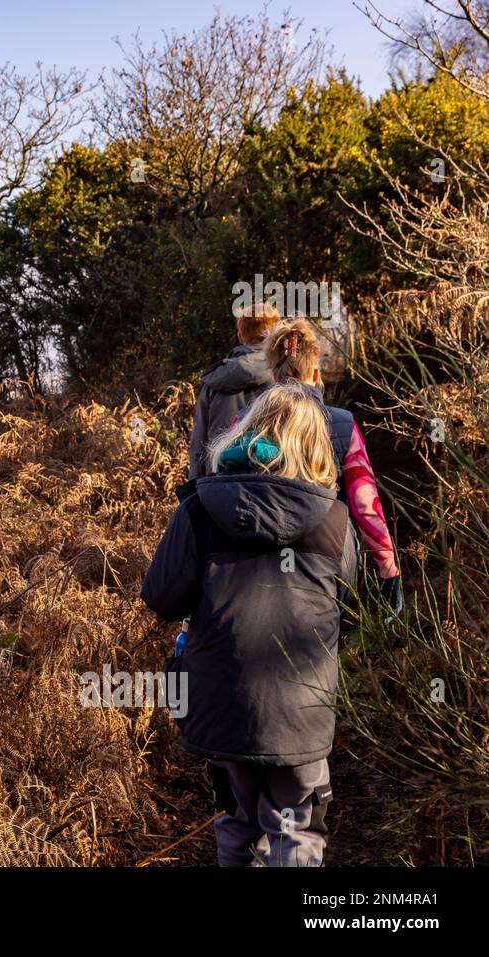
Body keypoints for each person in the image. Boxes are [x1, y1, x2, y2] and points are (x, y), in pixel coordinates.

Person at [142, 381, 357, 866]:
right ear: (316, 446)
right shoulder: (337, 523)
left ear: (247, 433)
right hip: (303, 710)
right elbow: (353, 615)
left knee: (237, 825)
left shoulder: (200, 509)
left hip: (220, 707)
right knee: (297, 829)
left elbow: (160, 597)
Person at [261, 318, 403, 611]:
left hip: (255, 560)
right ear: (316, 372)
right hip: (326, 560)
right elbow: (365, 504)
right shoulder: (342, 424)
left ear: (272, 374)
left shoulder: (246, 424)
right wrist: (387, 566)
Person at [188, 303, 281, 480]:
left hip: (217, 482)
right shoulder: (282, 376)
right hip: (268, 481)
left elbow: (198, 445)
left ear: (241, 336)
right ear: (276, 334)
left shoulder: (214, 381)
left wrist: (194, 491)